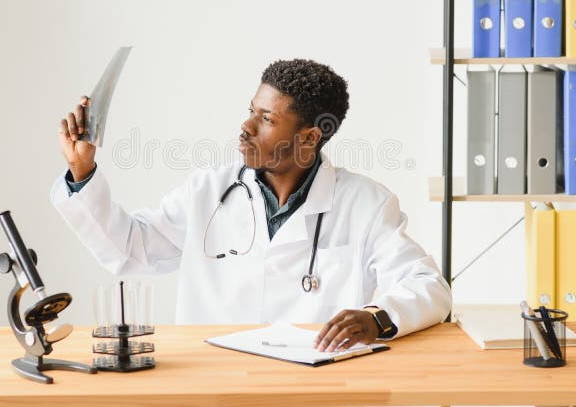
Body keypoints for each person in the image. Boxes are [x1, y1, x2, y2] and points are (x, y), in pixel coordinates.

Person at [52, 58, 451, 352]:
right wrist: (82, 170)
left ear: (309, 138)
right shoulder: (207, 191)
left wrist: (377, 318)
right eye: (250, 112)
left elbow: (429, 287)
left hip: (314, 389)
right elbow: (131, 250)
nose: (245, 127)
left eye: (265, 118)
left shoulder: (365, 203)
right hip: (214, 380)